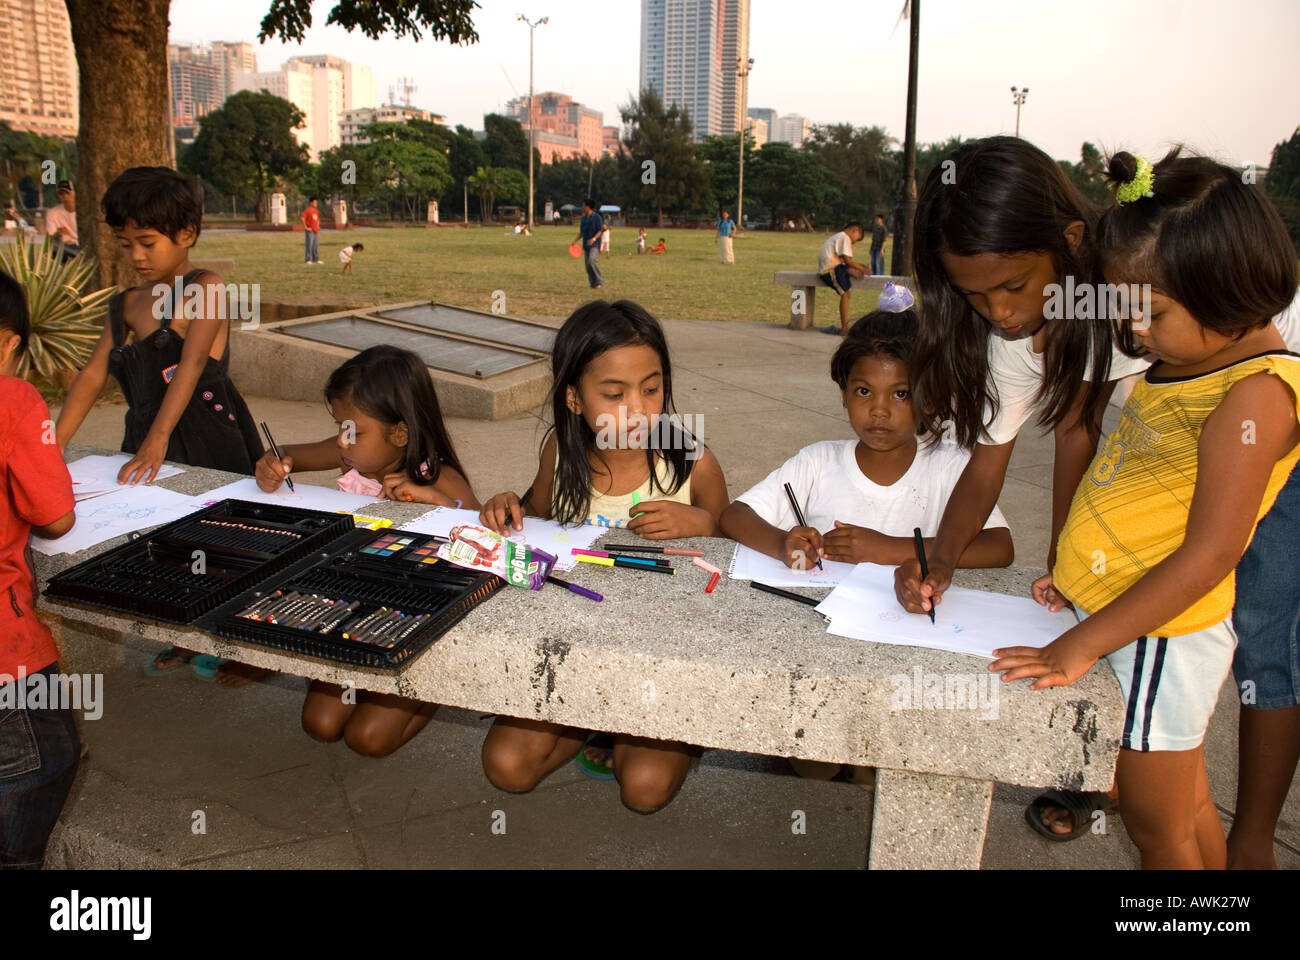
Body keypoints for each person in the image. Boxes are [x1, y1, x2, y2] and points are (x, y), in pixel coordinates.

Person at [891, 136, 1300, 847]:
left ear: (1072, 245)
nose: (1000, 313)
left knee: (1266, 644)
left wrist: (1082, 640)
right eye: (973, 296)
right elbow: (1050, 444)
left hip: (1258, 442)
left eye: (1014, 288)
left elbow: (1204, 553)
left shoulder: (1179, 298)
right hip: (1189, 497)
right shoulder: (1143, 318)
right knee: (1172, 785)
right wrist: (955, 557)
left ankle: (1254, 844)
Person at [721, 291, 1013, 782]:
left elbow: (999, 547)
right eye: (863, 392)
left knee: (881, 763)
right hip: (820, 646)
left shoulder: (949, 465)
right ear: (842, 393)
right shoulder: (818, 461)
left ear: (930, 397)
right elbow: (734, 515)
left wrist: (890, 549)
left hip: (905, 654)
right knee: (817, 766)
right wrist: (782, 542)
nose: (879, 411)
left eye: (900, 394)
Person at [477, 300, 730, 811]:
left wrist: (707, 524)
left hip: (663, 653)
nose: (637, 409)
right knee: (507, 768)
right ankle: (595, 718)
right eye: (614, 394)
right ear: (573, 398)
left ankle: (671, 727)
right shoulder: (560, 452)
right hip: (572, 646)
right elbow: (532, 516)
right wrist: (506, 507)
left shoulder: (690, 463)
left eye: (652, 389)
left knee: (643, 791)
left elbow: (733, 552)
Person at [54, 166, 265, 683]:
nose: (137, 257)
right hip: (148, 436)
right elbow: (89, 378)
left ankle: (242, 643)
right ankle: (184, 631)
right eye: (127, 245)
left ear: (186, 235)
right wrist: (49, 446)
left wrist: (156, 442)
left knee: (226, 543)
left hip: (208, 437)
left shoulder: (205, 288)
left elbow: (190, 366)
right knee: (165, 542)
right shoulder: (124, 305)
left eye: (147, 243)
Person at [255, 345, 477, 756]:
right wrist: (272, 463)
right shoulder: (350, 456)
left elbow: (481, 533)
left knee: (369, 739)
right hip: (354, 603)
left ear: (399, 433)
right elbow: (286, 455)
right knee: (320, 724)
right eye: (339, 425)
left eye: (350, 429)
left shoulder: (437, 478)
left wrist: (436, 503)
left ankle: (427, 691)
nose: (340, 439)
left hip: (409, 616)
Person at [0, 269, 79, 867]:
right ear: (10, 342)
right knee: (46, 760)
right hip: (7, 645)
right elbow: (54, 519)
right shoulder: (16, 400)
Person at [817, 221, 869, 336]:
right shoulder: (845, 237)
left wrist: (857, 269)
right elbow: (847, 260)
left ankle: (845, 326)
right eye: (856, 239)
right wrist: (863, 269)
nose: (854, 242)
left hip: (833, 267)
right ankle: (845, 328)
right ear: (854, 230)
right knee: (845, 294)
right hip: (829, 270)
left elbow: (843, 262)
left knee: (847, 294)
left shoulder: (839, 237)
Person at [44, 181, 78, 260]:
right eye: (61, 194)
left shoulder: (85, 211)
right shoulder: (52, 213)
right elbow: (50, 235)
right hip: (66, 247)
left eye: (67, 193)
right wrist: (58, 233)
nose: (65, 197)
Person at [575, 199, 604, 288]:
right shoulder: (583, 218)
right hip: (586, 245)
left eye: (583, 205)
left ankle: (599, 280)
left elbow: (600, 231)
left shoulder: (597, 217)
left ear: (588, 207)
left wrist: (594, 239)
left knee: (592, 261)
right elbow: (581, 232)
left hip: (595, 244)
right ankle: (593, 283)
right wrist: (575, 241)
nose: (582, 207)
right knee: (587, 266)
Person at [302, 197, 322, 264]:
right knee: (309, 245)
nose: (316, 204)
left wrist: (318, 226)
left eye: (316, 202)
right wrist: (305, 227)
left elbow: (318, 219)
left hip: (315, 230)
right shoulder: (307, 210)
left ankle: (315, 259)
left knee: (315, 245)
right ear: (311, 203)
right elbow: (302, 218)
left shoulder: (316, 211)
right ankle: (308, 259)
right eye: (314, 202)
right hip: (310, 231)